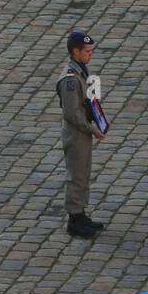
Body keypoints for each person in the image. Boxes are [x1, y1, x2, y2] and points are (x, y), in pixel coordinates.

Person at [56, 31, 106, 239]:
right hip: (77, 132)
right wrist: (91, 128)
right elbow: (72, 113)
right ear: (75, 51)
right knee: (76, 175)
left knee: (83, 173)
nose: (90, 55)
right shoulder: (70, 79)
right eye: (87, 51)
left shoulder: (80, 71)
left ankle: (81, 213)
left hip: (82, 130)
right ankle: (74, 218)